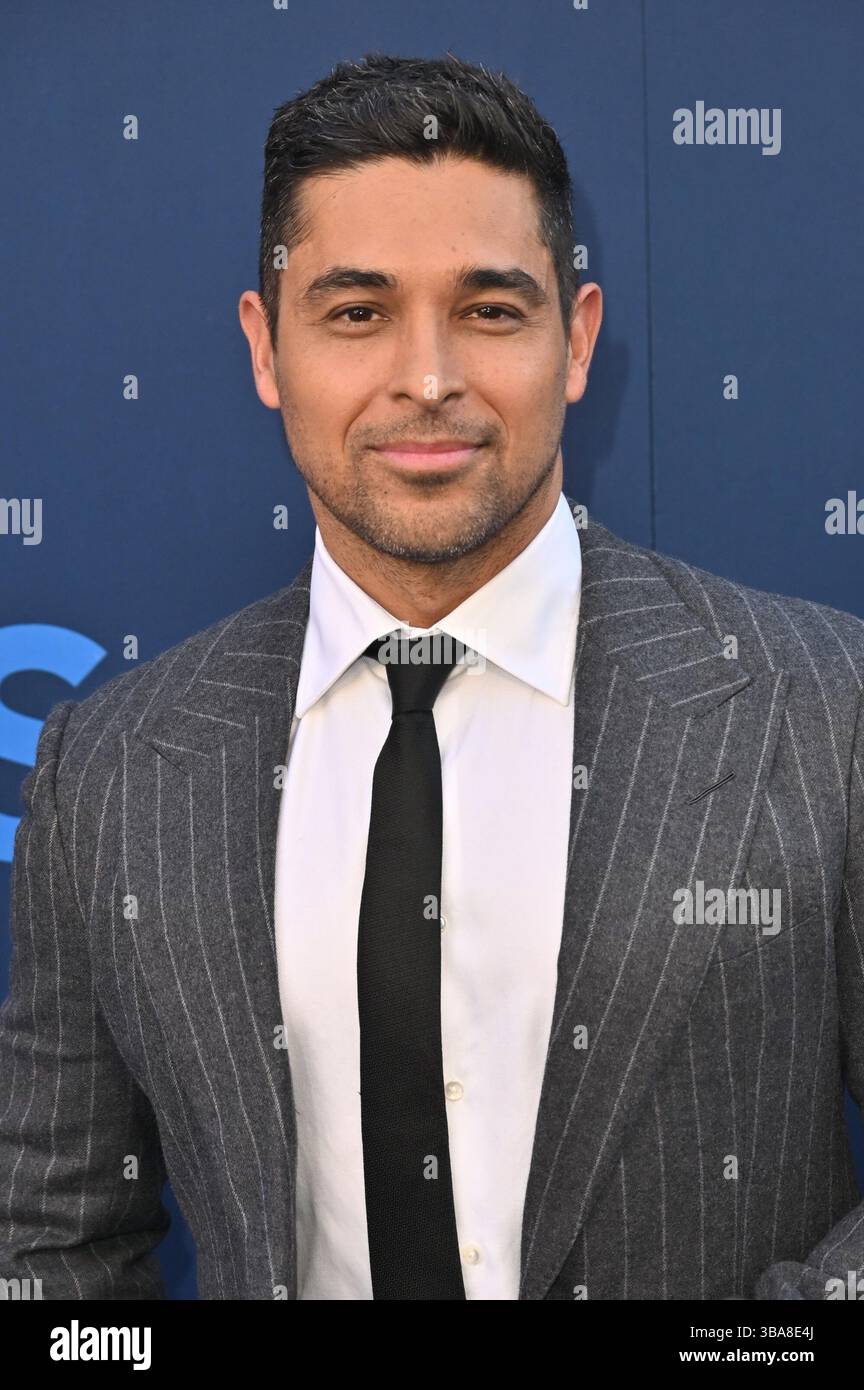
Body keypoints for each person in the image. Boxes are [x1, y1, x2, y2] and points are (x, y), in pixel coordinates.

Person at [2, 51, 863, 1302]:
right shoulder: (115, 770)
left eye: (490, 309)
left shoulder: (824, 710)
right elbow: (47, 1246)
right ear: (266, 346)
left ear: (576, 341)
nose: (426, 378)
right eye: (356, 312)